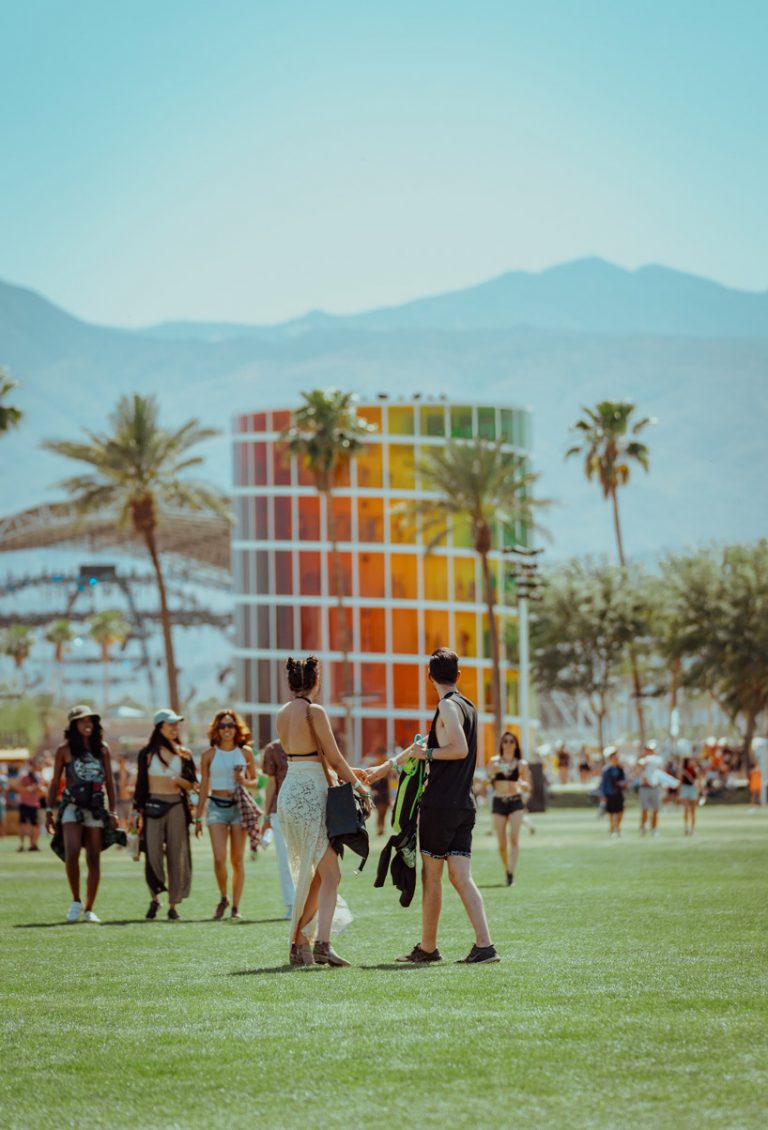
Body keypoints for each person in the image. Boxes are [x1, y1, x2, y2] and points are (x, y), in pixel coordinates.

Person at [367, 648, 499, 965]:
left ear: (429, 676)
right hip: (464, 804)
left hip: (441, 805)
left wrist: (426, 755)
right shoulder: (468, 706)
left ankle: (428, 948)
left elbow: (458, 749)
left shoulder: (447, 706)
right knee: (461, 877)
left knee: (432, 876)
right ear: (458, 674)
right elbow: (446, 747)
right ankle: (485, 946)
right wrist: (398, 761)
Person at [276, 655, 372, 967]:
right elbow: (333, 757)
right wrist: (360, 787)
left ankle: (300, 944)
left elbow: (307, 757)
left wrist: (350, 775)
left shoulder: (282, 712)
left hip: (289, 790)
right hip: (309, 795)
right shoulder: (314, 710)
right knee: (330, 874)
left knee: (315, 874)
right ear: (316, 682)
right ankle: (322, 944)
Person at [44, 705, 120, 923]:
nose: (87, 724)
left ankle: (89, 908)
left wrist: (113, 811)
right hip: (72, 806)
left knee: (94, 858)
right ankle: (76, 900)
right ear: (74, 725)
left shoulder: (102, 749)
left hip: (95, 808)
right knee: (72, 852)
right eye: (82, 721)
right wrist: (49, 810)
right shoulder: (64, 750)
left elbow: (110, 782)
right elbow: (55, 781)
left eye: (90, 721)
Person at [133, 709, 197, 921]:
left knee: (176, 854)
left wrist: (179, 781)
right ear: (159, 727)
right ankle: (154, 899)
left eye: (176, 724)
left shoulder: (184, 754)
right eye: (170, 724)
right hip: (152, 806)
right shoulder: (147, 754)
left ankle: (172, 905)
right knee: (152, 853)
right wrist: (136, 811)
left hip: (176, 806)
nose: (175, 728)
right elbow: (141, 785)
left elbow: (193, 785)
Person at [196, 709, 257, 921]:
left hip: (239, 807)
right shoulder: (208, 755)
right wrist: (198, 816)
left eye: (230, 725)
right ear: (217, 730)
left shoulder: (246, 752)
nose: (227, 729)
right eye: (222, 726)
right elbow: (204, 786)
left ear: (236, 728)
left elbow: (255, 781)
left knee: (237, 860)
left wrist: (245, 781)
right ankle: (224, 897)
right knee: (219, 858)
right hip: (216, 808)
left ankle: (236, 906)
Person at [486, 731, 530, 885]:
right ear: (501, 743)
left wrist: (523, 785)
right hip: (499, 801)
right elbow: (488, 775)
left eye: (512, 741)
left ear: (516, 744)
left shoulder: (521, 764)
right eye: (505, 741)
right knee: (502, 845)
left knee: (514, 839)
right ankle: (507, 868)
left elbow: (527, 785)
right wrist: (495, 770)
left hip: (515, 802)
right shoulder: (494, 761)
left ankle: (511, 872)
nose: (509, 744)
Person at [261, 735, 295, 921]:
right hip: (279, 810)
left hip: (308, 807)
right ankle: (291, 904)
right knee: (285, 861)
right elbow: (271, 783)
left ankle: (310, 904)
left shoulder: (312, 741)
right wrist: (266, 817)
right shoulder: (272, 749)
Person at [17, 760, 45, 852]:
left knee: (36, 825)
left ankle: (33, 844)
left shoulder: (39, 777)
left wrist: (39, 789)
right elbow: (19, 789)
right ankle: (21, 845)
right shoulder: (24, 777)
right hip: (24, 804)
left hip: (35, 805)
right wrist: (30, 789)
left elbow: (43, 793)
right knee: (23, 825)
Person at [638, 740, 664, 836]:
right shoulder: (642, 760)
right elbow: (640, 767)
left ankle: (654, 829)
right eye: (648, 749)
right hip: (644, 788)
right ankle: (643, 827)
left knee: (655, 810)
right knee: (644, 809)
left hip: (654, 787)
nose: (649, 751)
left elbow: (660, 771)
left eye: (651, 750)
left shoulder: (657, 760)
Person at [600, 747, 626, 838]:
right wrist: (603, 794)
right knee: (611, 812)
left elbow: (624, 780)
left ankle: (618, 827)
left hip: (618, 793)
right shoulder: (606, 770)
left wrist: (622, 784)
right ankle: (612, 829)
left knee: (620, 811)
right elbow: (603, 783)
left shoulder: (620, 768)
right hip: (610, 793)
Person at [679, 756, 700, 834]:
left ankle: (692, 829)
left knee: (693, 811)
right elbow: (680, 781)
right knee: (686, 809)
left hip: (693, 789)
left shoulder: (696, 770)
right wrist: (679, 794)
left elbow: (698, 780)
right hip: (685, 789)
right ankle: (686, 828)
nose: (692, 762)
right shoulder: (683, 771)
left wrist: (699, 790)